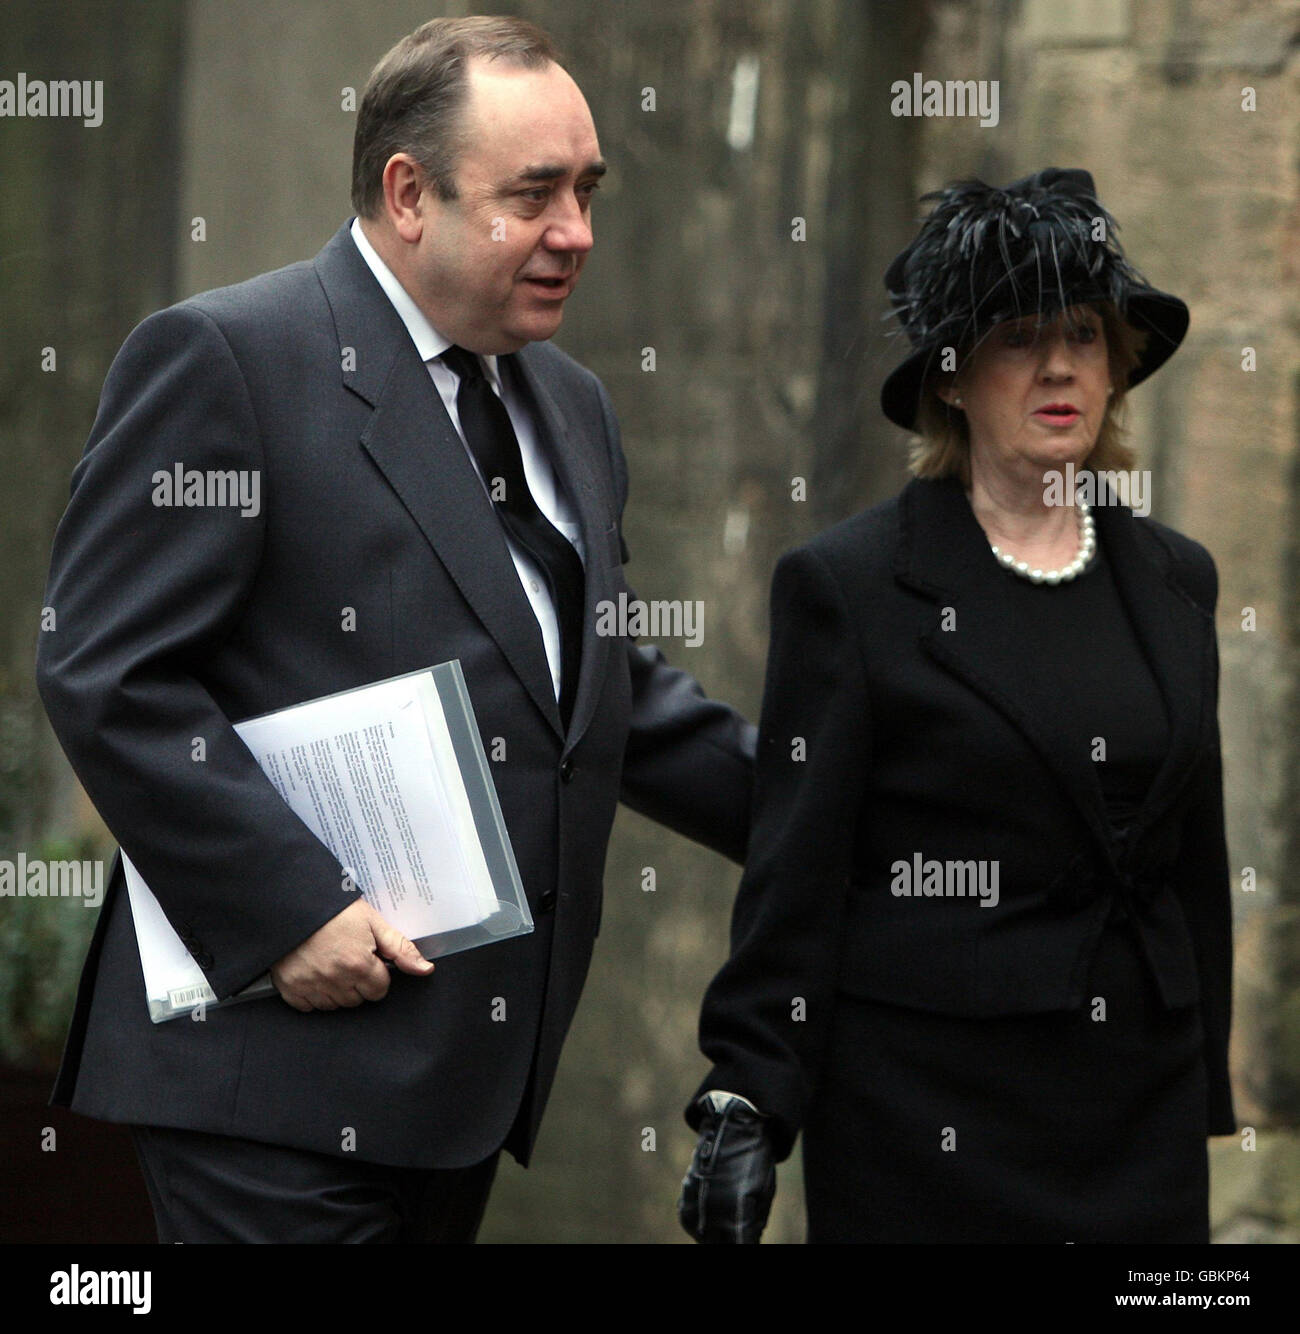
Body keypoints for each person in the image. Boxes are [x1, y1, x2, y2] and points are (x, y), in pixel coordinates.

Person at [36, 16, 754, 1244]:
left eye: (586, 191)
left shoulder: (567, 402)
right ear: (407, 193)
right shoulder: (226, 358)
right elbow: (106, 668)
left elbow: (585, 684)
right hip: (267, 1068)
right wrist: (287, 909)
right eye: (534, 194)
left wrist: (837, 799)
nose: (576, 232)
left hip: (455, 1082)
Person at [678, 168, 1234, 1244]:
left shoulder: (1177, 579)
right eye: (1019, 337)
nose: (1060, 364)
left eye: (1083, 332)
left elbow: (1191, 861)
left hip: (1136, 1113)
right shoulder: (849, 587)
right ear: (951, 377)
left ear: (1119, 363)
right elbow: (801, 869)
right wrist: (749, 1098)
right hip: (927, 1119)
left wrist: (1201, 1076)